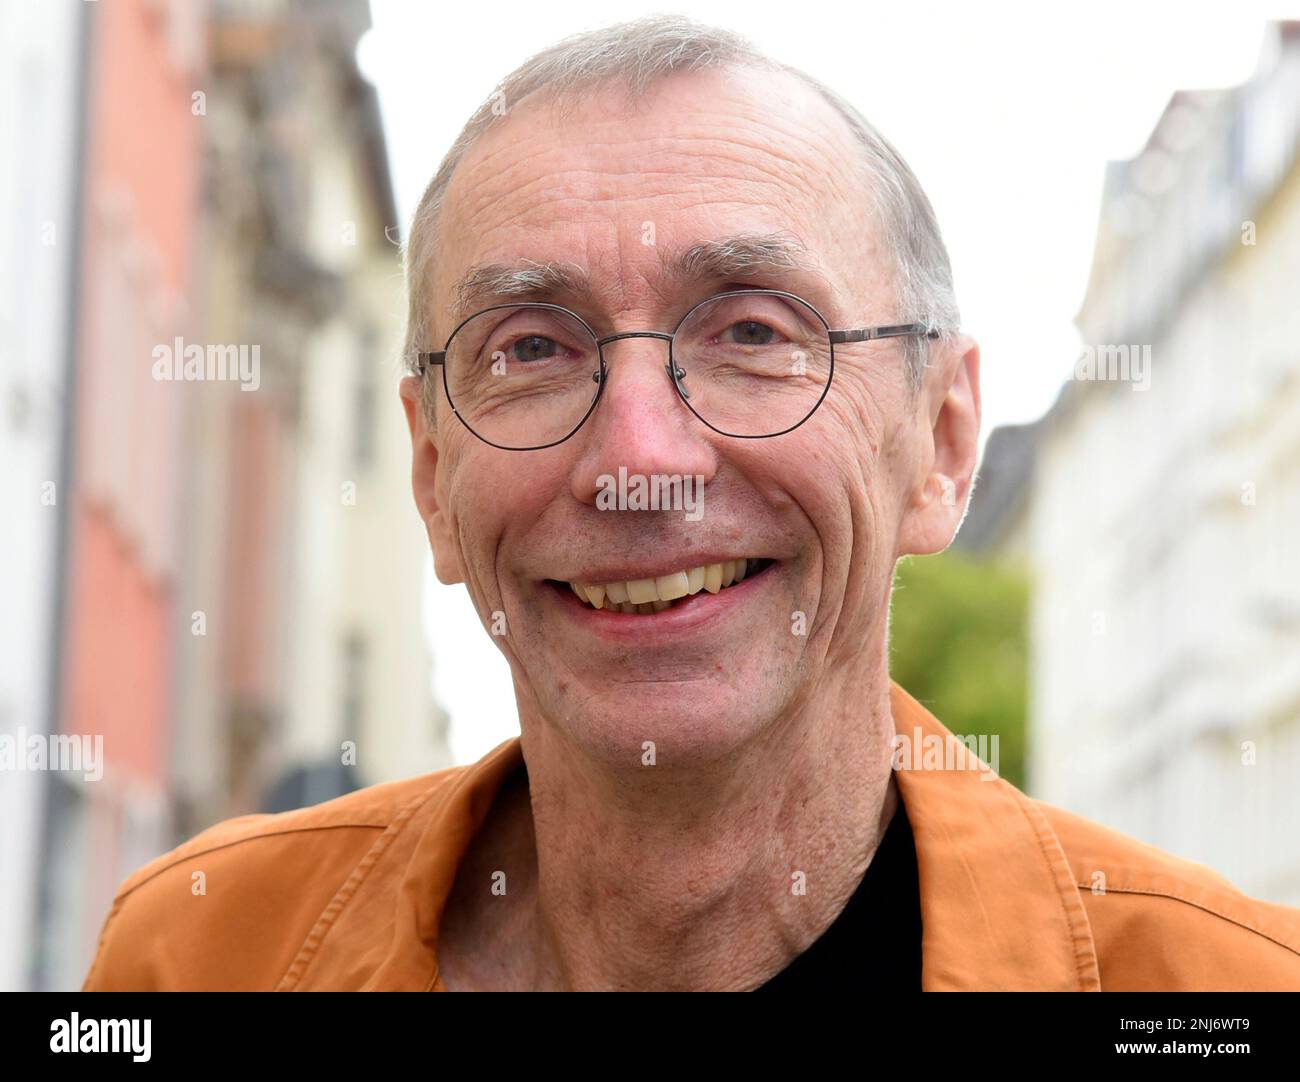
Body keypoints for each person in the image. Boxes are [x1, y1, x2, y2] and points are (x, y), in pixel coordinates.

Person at [82, 14, 1300, 992]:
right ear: (432, 474)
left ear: (940, 438)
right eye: (530, 348)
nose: (639, 457)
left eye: (753, 332)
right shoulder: (200, 960)